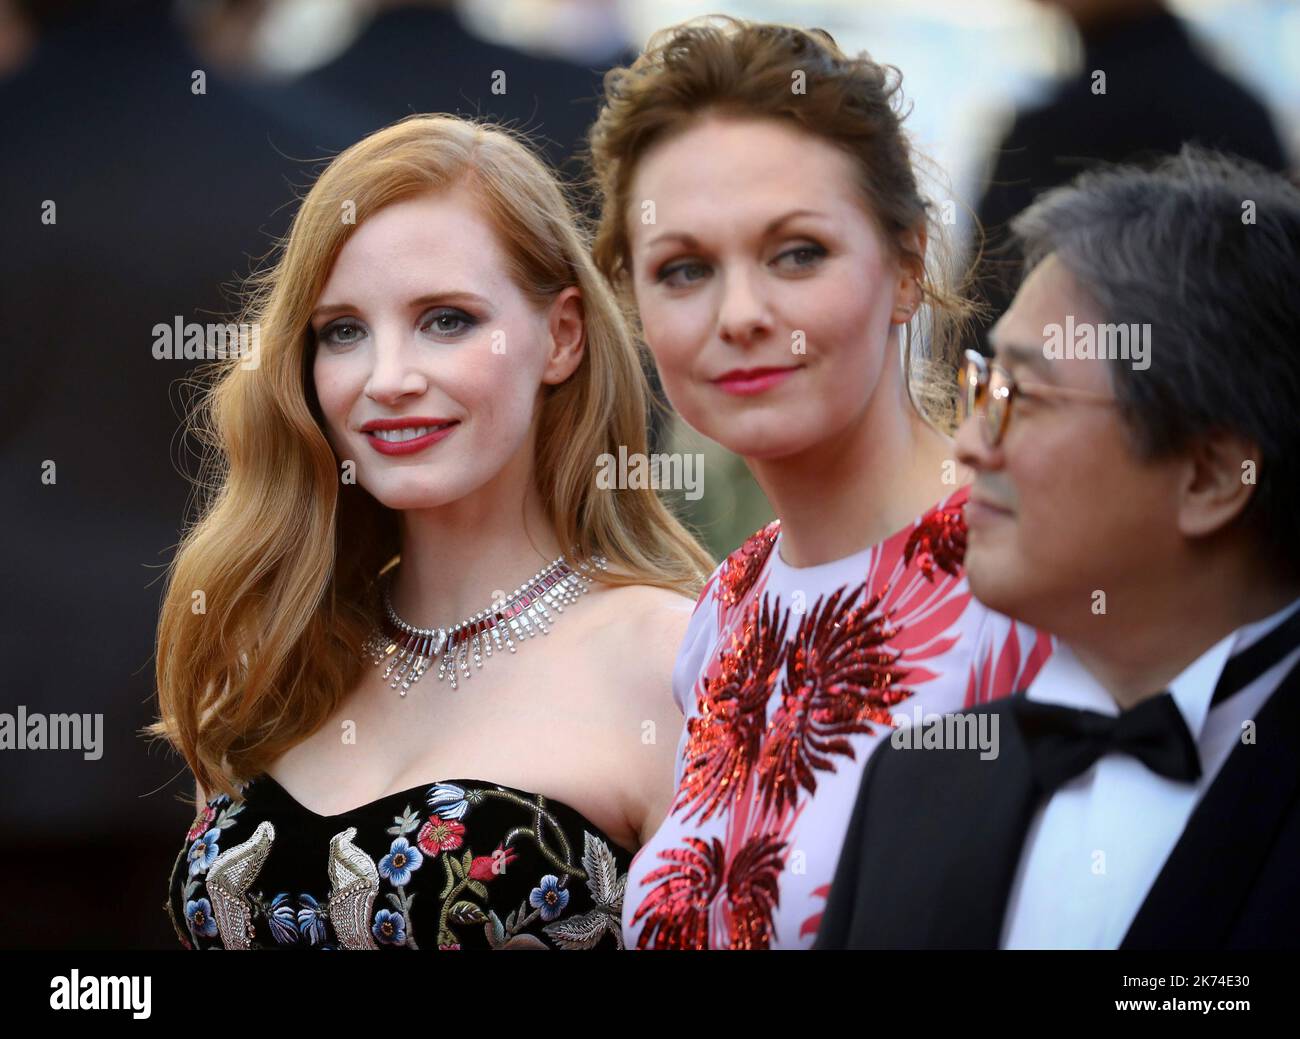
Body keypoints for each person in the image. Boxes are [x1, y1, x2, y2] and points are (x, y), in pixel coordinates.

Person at [148, 113, 715, 950]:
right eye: (343, 331)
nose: (388, 379)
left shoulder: (676, 662)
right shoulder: (274, 648)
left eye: (445, 319)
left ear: (561, 336)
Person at [585, 15, 1052, 949]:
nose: (744, 314)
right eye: (684, 269)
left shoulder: (1037, 565)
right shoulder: (723, 611)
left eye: (798, 251)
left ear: (909, 264)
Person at [815, 146, 1300, 950]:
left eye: (1023, 397)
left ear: (1213, 474)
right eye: (981, 387)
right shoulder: (919, 779)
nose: (969, 444)